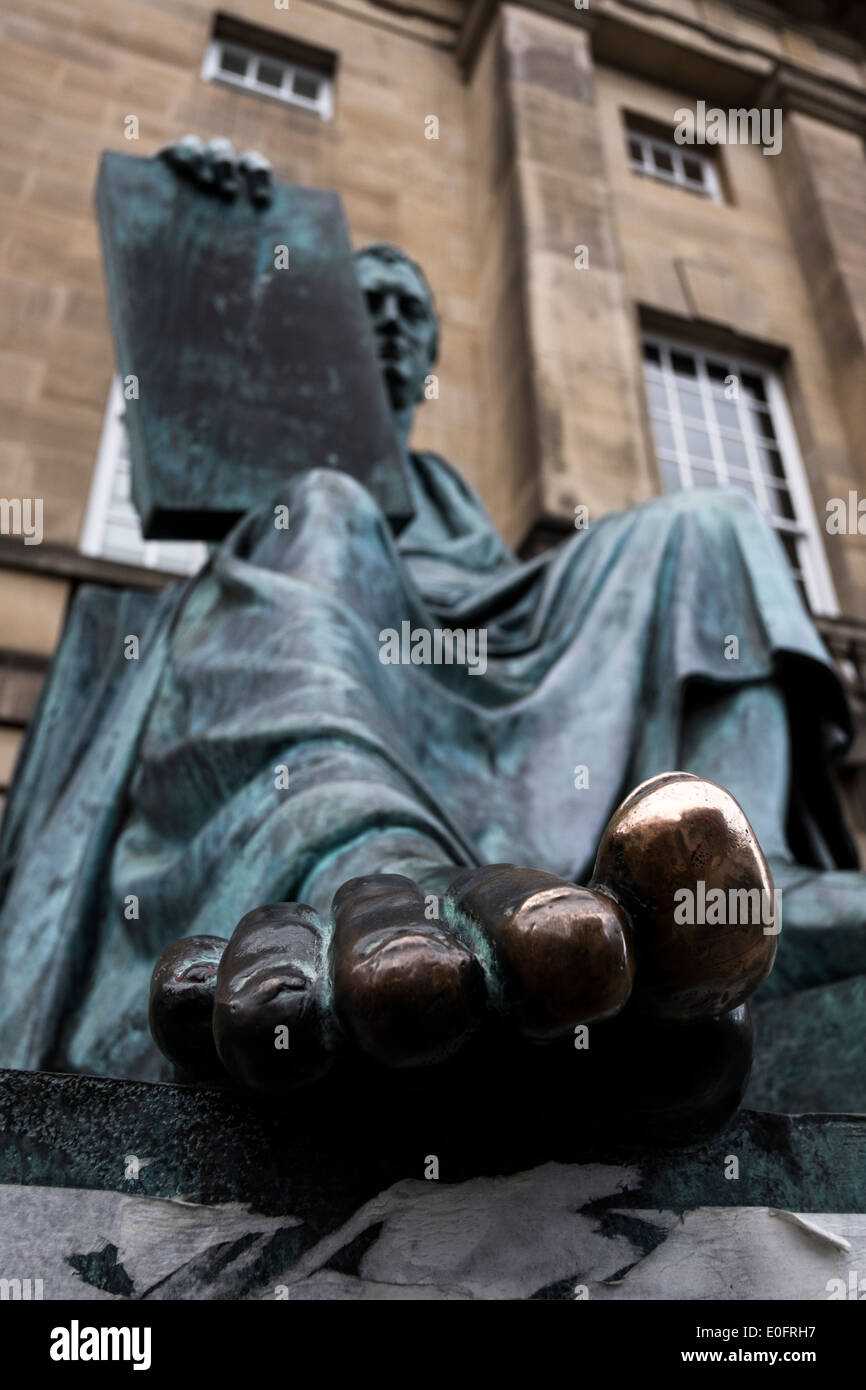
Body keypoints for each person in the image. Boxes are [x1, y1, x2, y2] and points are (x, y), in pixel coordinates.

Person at [0, 138, 861, 1092]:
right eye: (367, 306)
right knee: (323, 508)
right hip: (350, 647)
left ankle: (739, 858)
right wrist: (207, 208)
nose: (395, 326)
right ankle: (369, 867)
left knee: (710, 518)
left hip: (477, 647)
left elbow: (507, 628)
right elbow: (190, 363)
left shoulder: (445, 489)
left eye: (413, 312)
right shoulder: (304, 488)